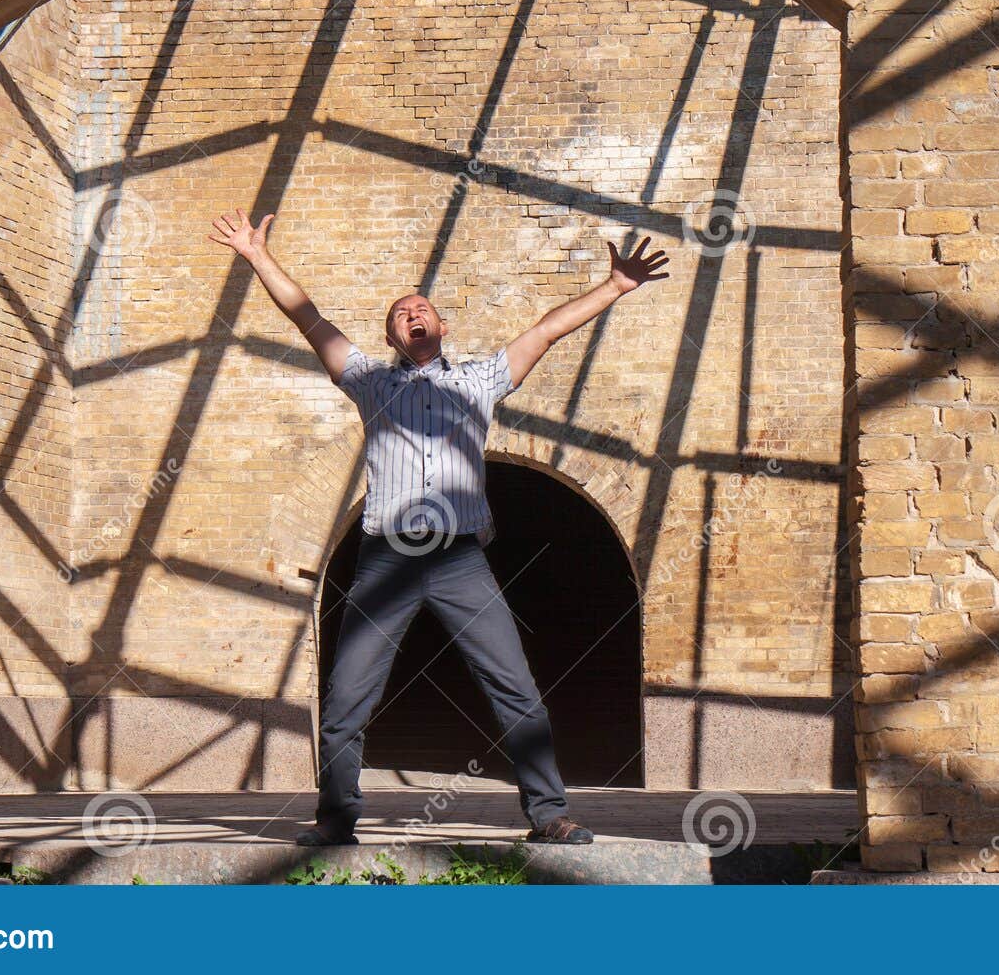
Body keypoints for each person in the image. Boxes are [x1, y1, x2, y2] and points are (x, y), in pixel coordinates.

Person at [207, 210, 670, 846]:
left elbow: (546, 331)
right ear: (392, 336)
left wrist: (614, 287)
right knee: (346, 702)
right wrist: (258, 257)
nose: (413, 315)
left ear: (441, 326)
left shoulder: (479, 380)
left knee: (515, 689)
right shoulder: (369, 382)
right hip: (386, 561)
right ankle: (336, 819)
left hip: (458, 563)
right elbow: (308, 316)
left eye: (423, 308)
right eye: (401, 314)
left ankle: (549, 814)